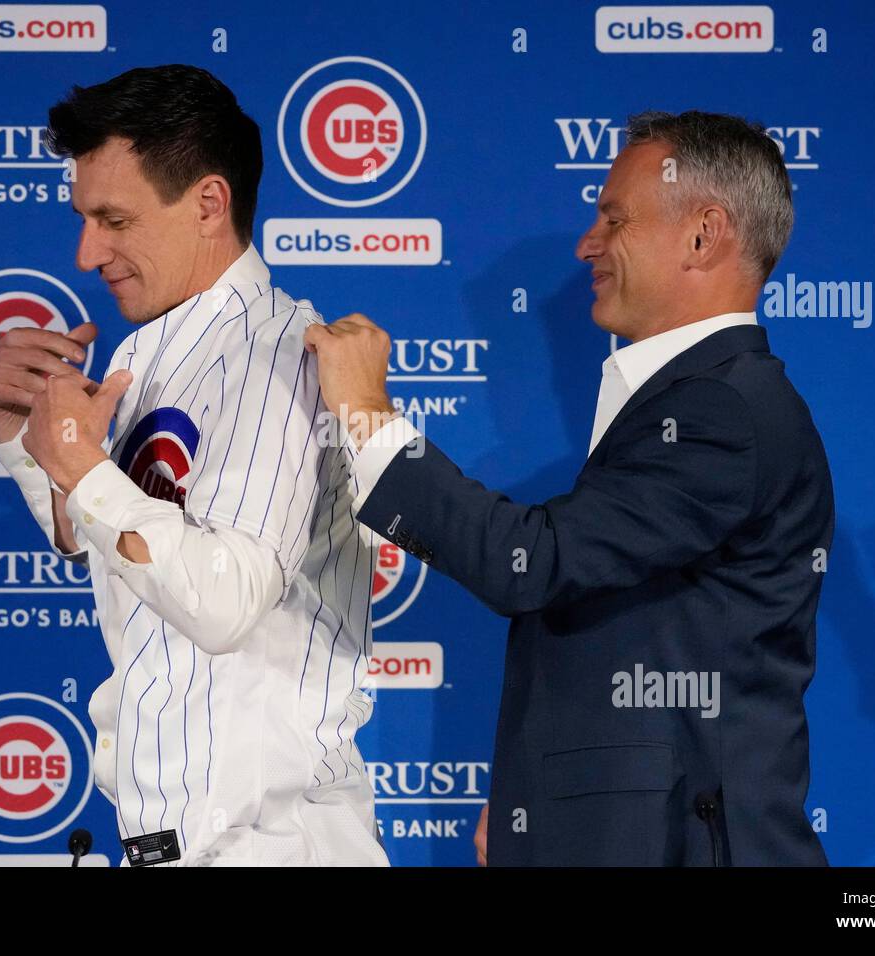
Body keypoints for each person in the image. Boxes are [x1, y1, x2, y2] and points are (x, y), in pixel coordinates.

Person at [304, 111, 834, 866]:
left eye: (614, 218)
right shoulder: (693, 402)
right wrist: (538, 801)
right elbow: (625, 622)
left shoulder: (724, 410)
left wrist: (366, 415)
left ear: (702, 234)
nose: (589, 242)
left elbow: (533, 563)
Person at [0, 65, 387, 867]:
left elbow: (224, 600)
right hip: (171, 838)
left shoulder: (279, 356)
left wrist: (83, 466)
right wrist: (17, 432)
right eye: (84, 218)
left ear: (207, 204)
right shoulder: (149, 349)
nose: (86, 252)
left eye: (113, 220)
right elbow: (98, 529)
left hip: (270, 844)